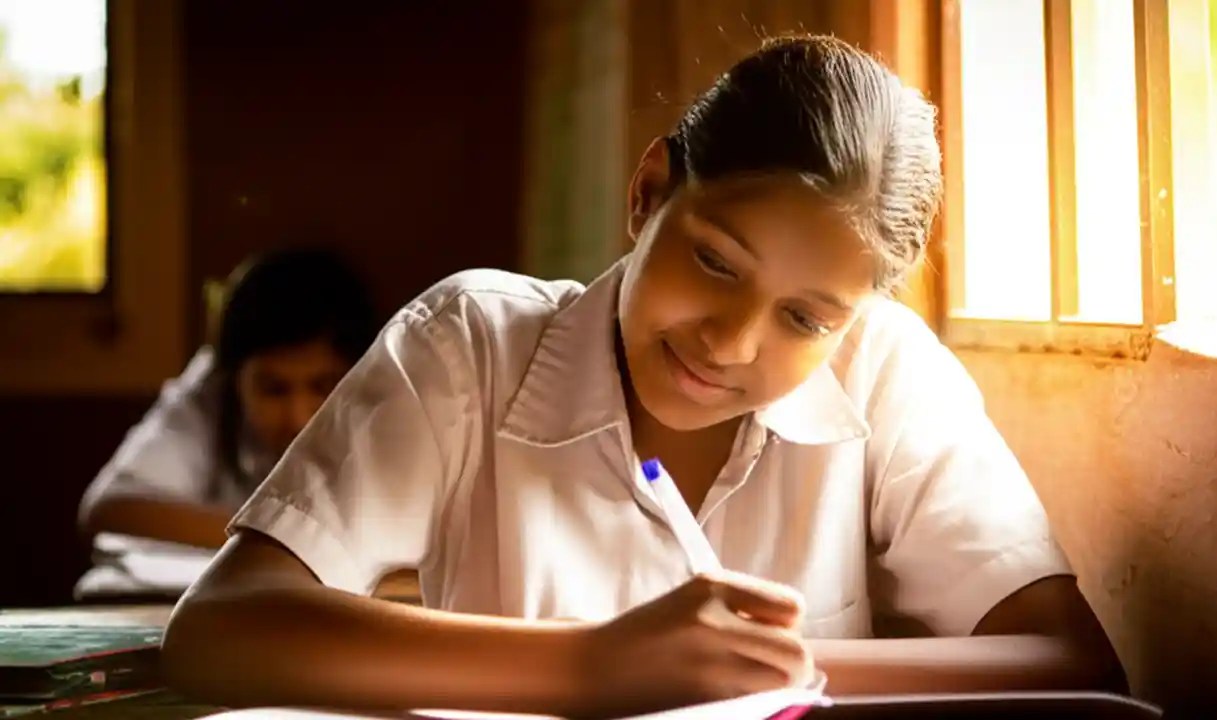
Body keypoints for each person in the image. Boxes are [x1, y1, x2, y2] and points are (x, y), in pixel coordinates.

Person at [162, 37, 1126, 717]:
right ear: (648, 192)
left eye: (804, 317)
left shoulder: (885, 368)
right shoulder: (469, 345)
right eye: (714, 262)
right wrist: (587, 667)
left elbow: (1069, 660)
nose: (734, 342)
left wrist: (741, 669)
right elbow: (221, 628)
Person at [79, 247, 378, 551]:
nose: (298, 417)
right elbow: (109, 507)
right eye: (274, 389)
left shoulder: (389, 403)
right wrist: (283, 543)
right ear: (233, 379)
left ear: (361, 374)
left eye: (323, 387)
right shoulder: (211, 397)